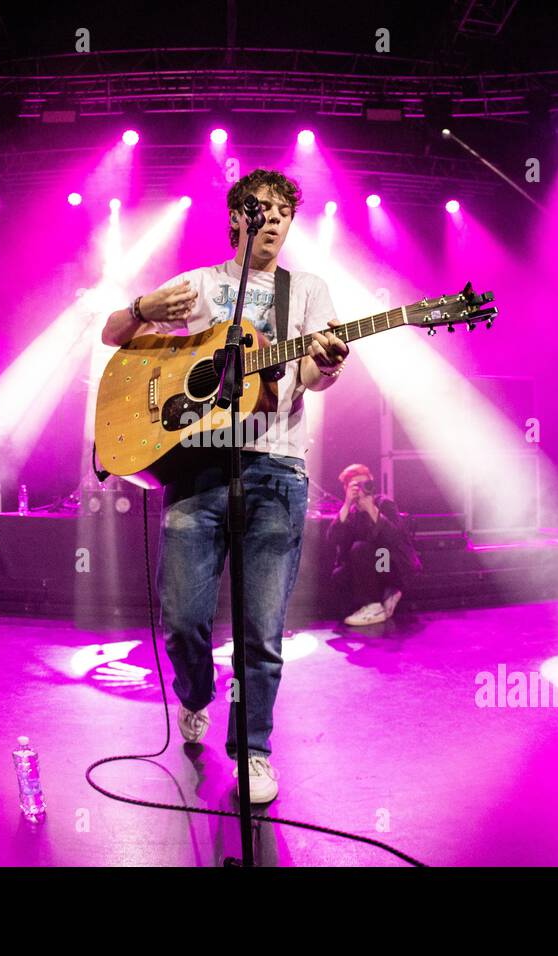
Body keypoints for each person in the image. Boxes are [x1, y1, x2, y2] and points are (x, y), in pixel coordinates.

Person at [100, 168, 347, 803]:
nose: (275, 223)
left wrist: (325, 364)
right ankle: (196, 694)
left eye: (285, 214)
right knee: (184, 619)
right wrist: (141, 310)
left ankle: (253, 750)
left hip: (277, 470)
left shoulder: (309, 291)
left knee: (261, 632)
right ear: (238, 217)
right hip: (197, 470)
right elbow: (113, 335)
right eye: (262, 211)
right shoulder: (202, 284)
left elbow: (315, 383)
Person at [326, 463, 420, 626]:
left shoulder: (384, 504)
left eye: (366, 484)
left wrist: (371, 509)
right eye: (356, 486)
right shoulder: (352, 513)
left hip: (390, 565)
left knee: (361, 549)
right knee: (339, 574)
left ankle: (375, 605)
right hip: (370, 572)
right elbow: (332, 539)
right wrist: (347, 505)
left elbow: (395, 539)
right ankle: (373, 602)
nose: (362, 489)